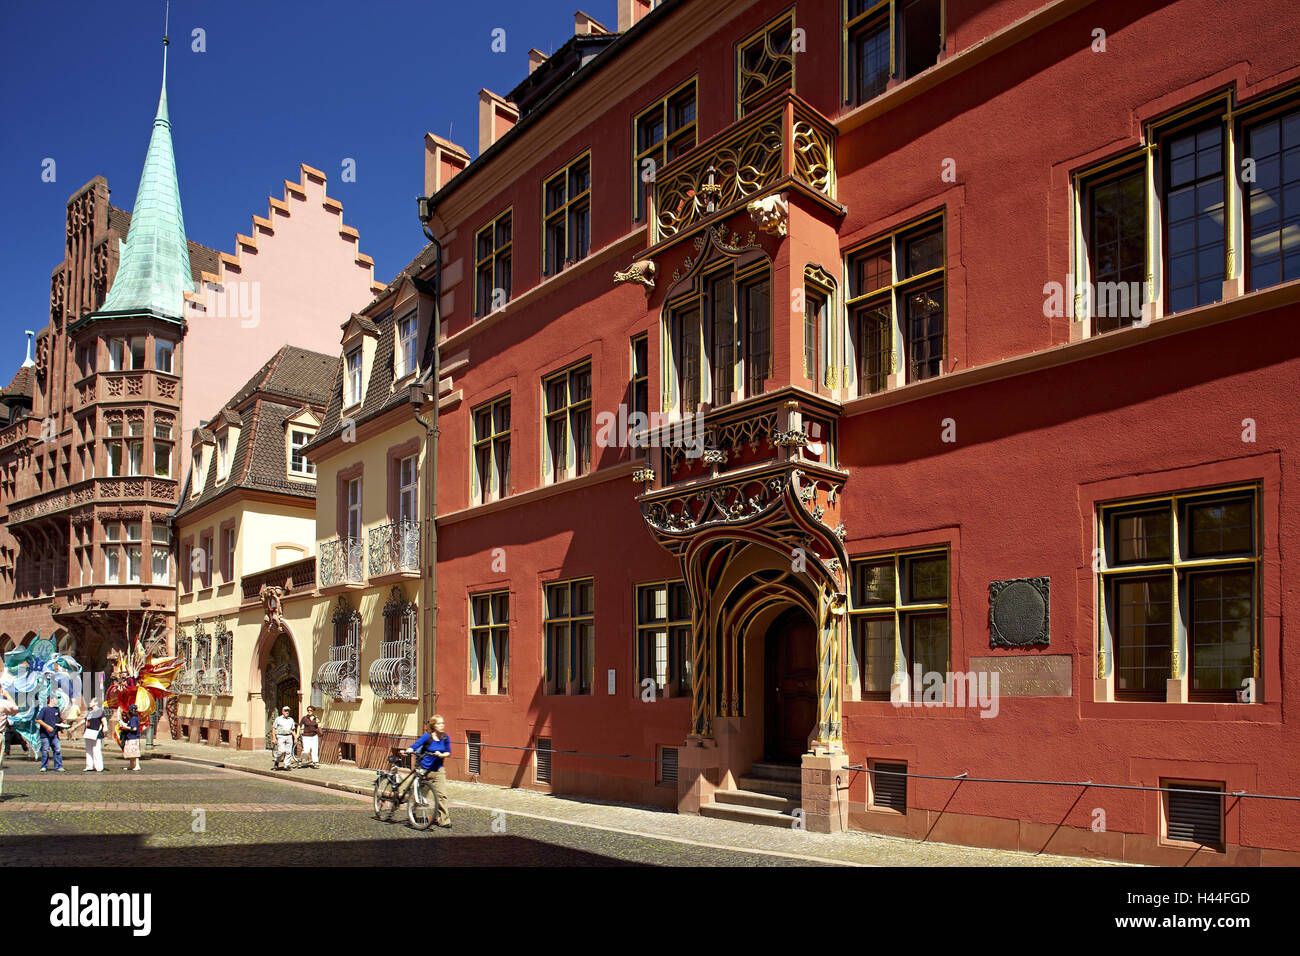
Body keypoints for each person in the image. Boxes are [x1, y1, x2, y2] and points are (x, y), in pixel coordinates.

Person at [405, 715, 452, 828]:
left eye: (443, 723)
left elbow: (448, 752)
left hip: (438, 770)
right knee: (419, 795)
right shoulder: (427, 737)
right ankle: (412, 814)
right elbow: (416, 745)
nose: (442, 725)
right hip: (425, 770)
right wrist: (410, 750)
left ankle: (444, 820)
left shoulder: (445, 737)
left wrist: (441, 755)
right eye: (439, 723)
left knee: (442, 795)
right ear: (433, 726)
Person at [35, 694, 65, 772]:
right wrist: (47, 726)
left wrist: (62, 725)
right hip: (45, 734)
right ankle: (44, 766)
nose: (57, 701)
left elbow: (58, 720)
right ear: (51, 699)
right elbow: (38, 720)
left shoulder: (57, 709)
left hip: (54, 734)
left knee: (57, 750)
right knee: (45, 750)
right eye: (56, 699)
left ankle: (58, 766)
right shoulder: (44, 709)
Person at [80, 698, 106, 772]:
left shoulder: (99, 711)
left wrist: (105, 727)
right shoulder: (90, 712)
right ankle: (89, 766)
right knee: (88, 749)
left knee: (96, 749)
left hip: (96, 733)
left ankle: (99, 767)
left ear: (96, 703)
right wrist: (74, 728)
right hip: (88, 732)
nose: (89, 703)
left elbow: (103, 720)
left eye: (91, 702)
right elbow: (84, 721)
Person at [121, 704, 142, 771]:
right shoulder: (134, 718)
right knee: (131, 752)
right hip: (131, 737)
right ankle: (132, 765)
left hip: (133, 737)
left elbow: (134, 728)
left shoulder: (133, 718)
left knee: (134, 752)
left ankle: (137, 765)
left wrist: (125, 727)